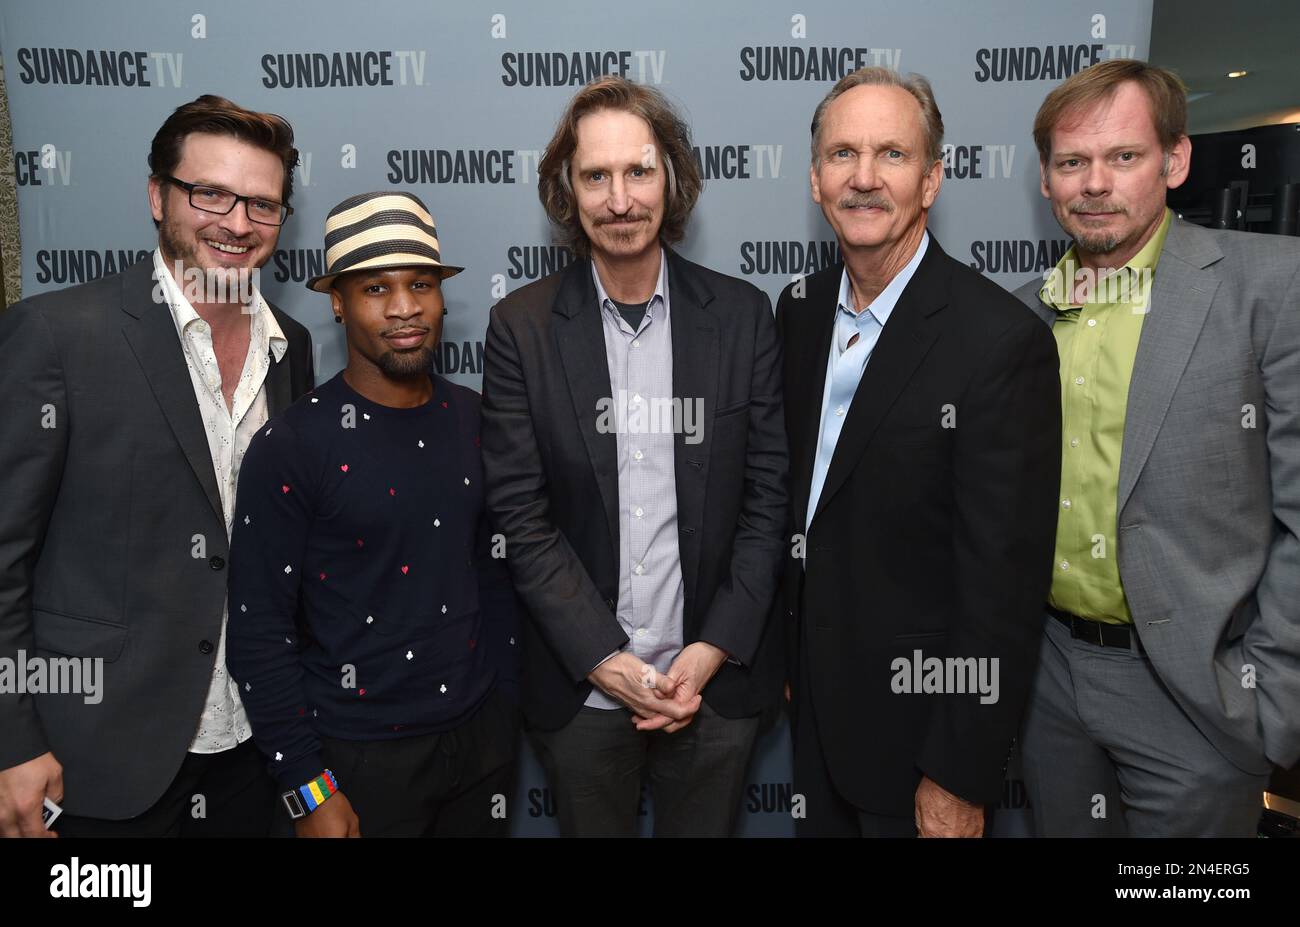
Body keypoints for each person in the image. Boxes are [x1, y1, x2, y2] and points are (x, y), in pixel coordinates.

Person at [480, 76, 788, 836]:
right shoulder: (521, 328)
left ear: (673, 178)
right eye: (596, 175)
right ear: (568, 189)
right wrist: (606, 660)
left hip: (712, 689)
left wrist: (712, 647)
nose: (620, 199)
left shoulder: (743, 316)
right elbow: (521, 515)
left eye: (639, 171)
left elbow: (768, 497)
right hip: (583, 692)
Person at [0, 94, 313, 837]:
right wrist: (12, 740)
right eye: (211, 193)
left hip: (249, 749)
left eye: (262, 205)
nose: (237, 223)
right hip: (95, 763)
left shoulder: (290, 345)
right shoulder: (56, 336)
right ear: (156, 196)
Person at [1014, 58, 1300, 836]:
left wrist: (1269, 694)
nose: (1094, 183)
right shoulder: (1021, 318)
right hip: (1052, 681)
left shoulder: (1271, 287)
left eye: (1123, 156)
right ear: (1046, 180)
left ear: (1175, 160)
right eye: (1072, 162)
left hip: (1199, 695)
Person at [777, 67, 1060, 837]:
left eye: (892, 155)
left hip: (921, 748)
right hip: (815, 725)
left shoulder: (1000, 342)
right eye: (842, 154)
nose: (863, 178)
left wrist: (960, 771)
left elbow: (1001, 589)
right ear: (814, 178)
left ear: (932, 179)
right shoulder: (798, 313)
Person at [226, 191, 520, 837]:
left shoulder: (478, 418)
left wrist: (506, 709)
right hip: (354, 759)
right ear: (338, 302)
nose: (404, 306)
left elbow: (497, 574)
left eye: (420, 283)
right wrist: (307, 787)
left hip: (482, 744)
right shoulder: (292, 445)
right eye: (374, 288)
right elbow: (257, 629)